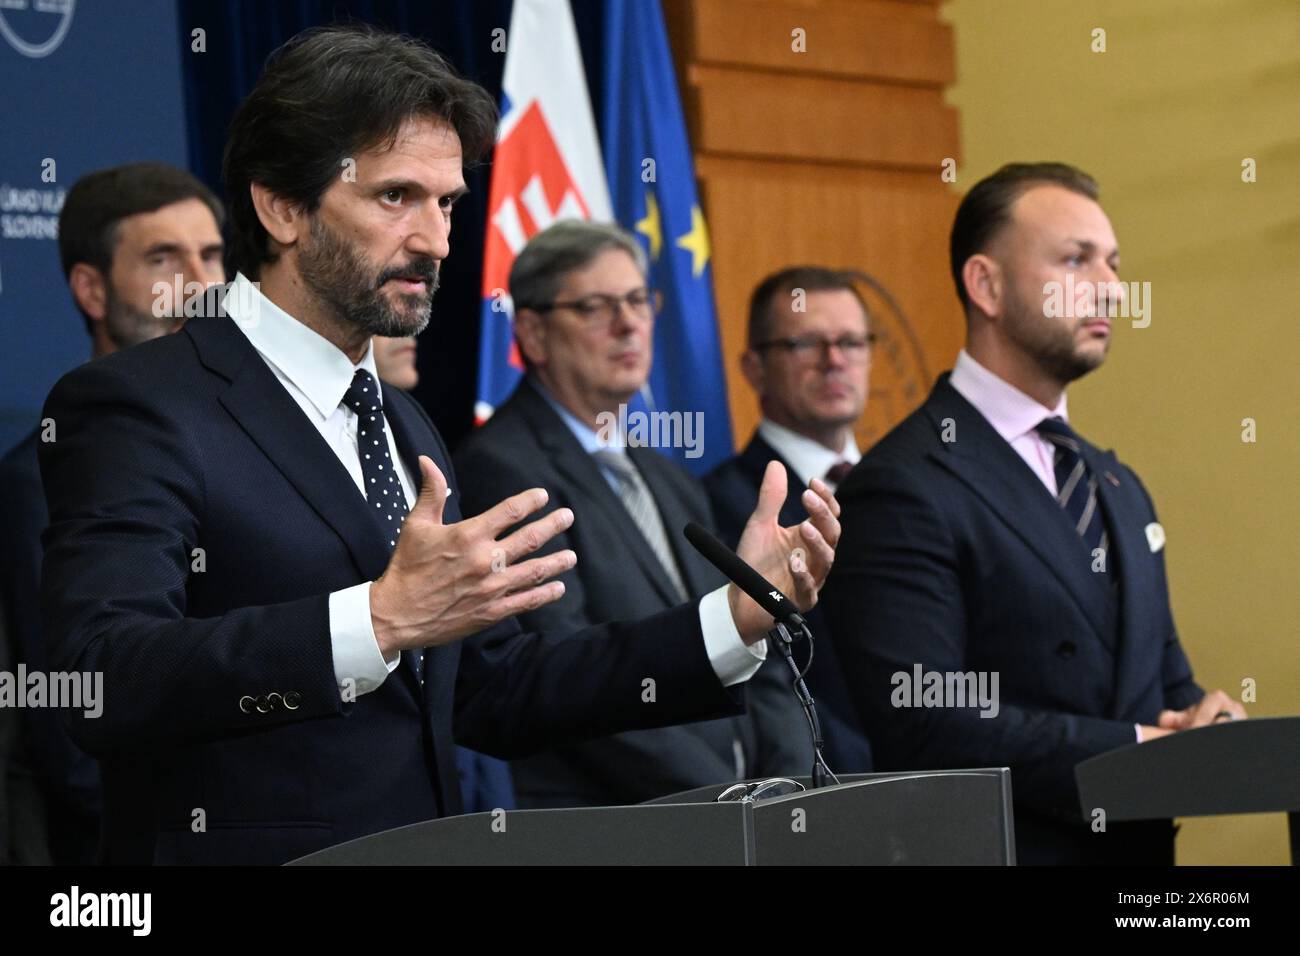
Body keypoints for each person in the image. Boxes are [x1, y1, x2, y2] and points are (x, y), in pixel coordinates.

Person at [37, 24, 840, 865]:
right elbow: (99, 680)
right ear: (280, 205)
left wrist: (732, 620)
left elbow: (491, 689)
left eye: (448, 202)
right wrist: (375, 621)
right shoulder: (140, 403)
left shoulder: (402, 420)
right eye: (395, 198)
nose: (436, 241)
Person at [820, 162, 1246, 865]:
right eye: (1075, 261)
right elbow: (928, 725)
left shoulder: (1117, 483)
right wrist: (1140, 751)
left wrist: (1211, 723)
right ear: (985, 284)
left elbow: (1163, 684)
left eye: (1113, 263)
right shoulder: (901, 485)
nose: (1111, 287)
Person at [456, 221, 813, 807]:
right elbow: (569, 676)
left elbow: (760, 647)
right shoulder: (503, 473)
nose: (629, 325)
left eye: (638, 301)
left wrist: (791, 791)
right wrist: (725, 802)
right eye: (596, 307)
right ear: (533, 333)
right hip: (627, 826)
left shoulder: (669, 478)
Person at [0, 163, 225, 864]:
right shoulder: (45, 470)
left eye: (212, 256)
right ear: (91, 289)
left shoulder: (257, 445)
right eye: (163, 258)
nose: (199, 284)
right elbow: (73, 723)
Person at [705, 266, 876, 772]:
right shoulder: (719, 505)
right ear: (754, 367)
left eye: (851, 341)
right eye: (806, 344)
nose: (835, 361)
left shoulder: (911, 488)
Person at [372, 334, 517, 813]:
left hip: (466, 801)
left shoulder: (411, 423)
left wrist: (721, 628)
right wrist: (383, 620)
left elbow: (484, 675)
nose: (406, 333)